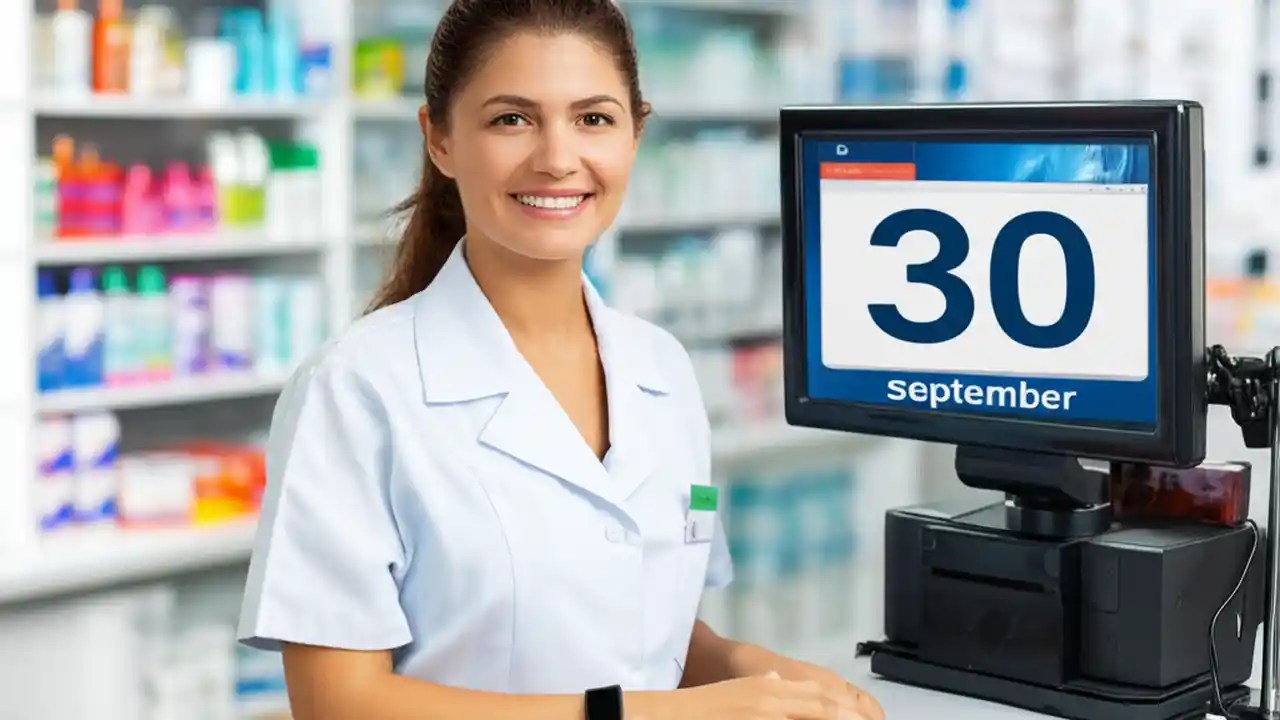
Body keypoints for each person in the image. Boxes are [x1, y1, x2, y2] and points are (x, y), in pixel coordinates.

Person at [237, 1, 886, 718]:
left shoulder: (661, 369)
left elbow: (639, 627)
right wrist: (649, 715)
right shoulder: (356, 388)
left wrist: (742, 664)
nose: (556, 157)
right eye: (511, 119)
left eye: (594, 119)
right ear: (441, 140)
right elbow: (339, 704)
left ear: (636, 132)